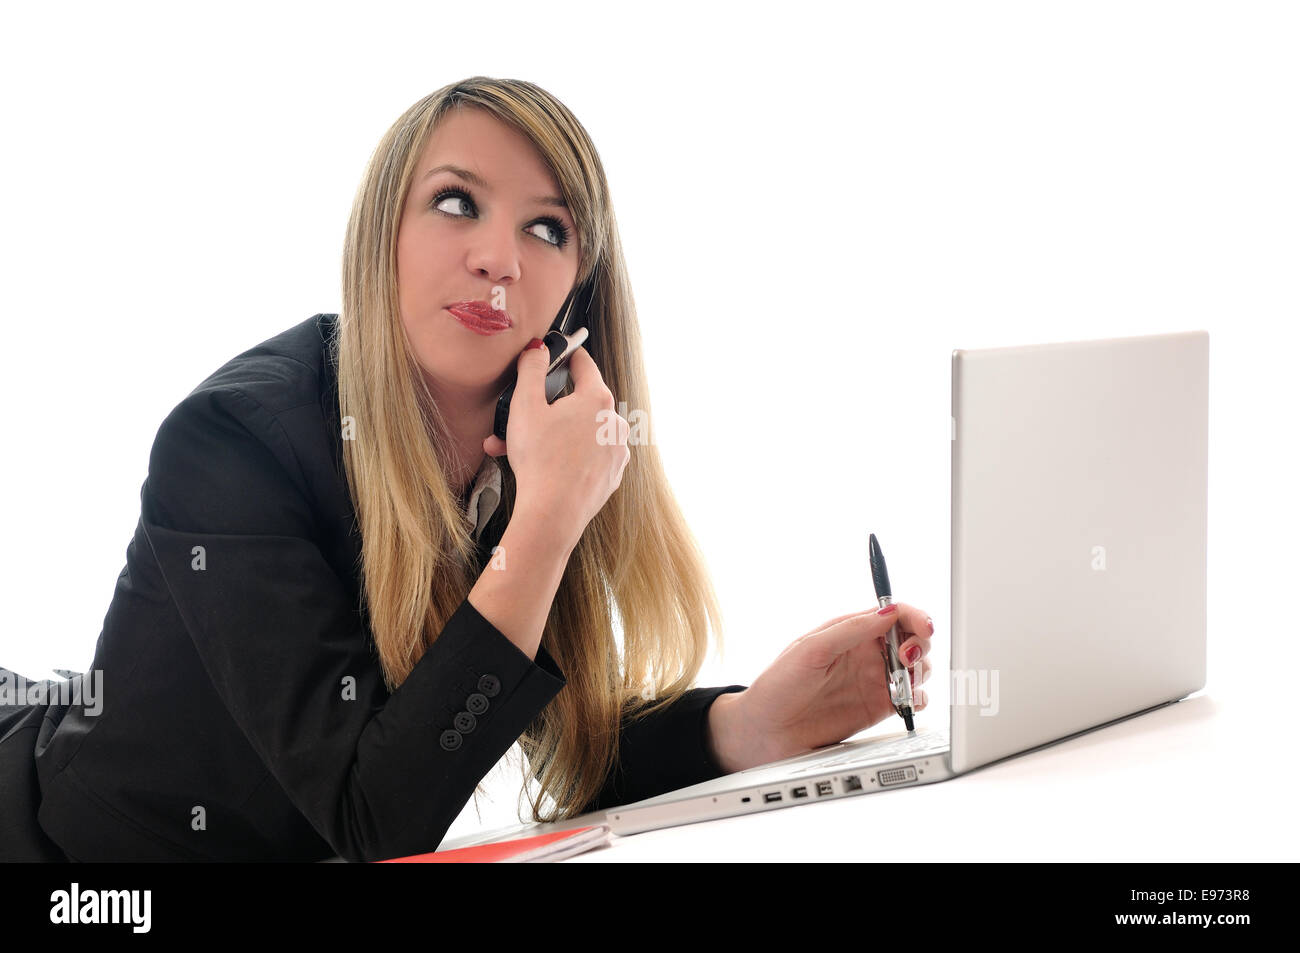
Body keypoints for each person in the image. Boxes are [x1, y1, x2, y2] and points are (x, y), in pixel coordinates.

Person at [0, 77, 934, 863]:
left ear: (580, 292)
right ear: (384, 235)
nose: (498, 260)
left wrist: (751, 723)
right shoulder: (231, 443)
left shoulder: (531, 443)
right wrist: (544, 526)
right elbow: (378, 818)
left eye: (548, 229)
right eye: (457, 203)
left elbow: (524, 732)